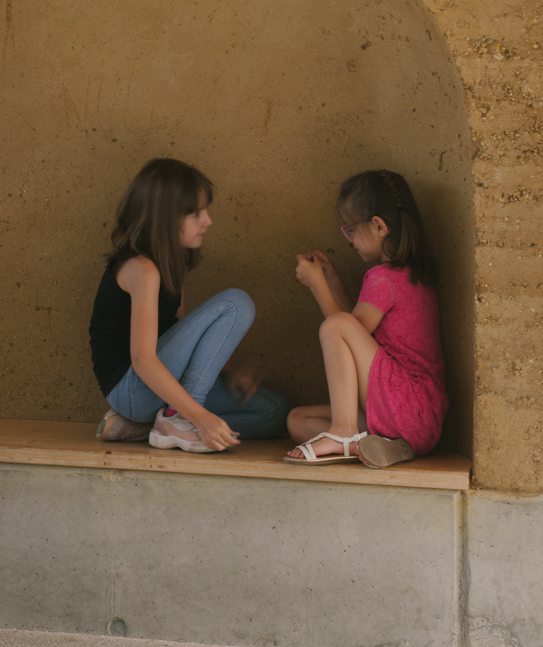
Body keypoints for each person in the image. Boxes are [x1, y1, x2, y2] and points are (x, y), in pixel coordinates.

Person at [91, 157, 289, 451]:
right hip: (132, 388)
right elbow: (143, 360)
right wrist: (199, 415)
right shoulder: (141, 269)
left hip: (160, 384)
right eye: (196, 214)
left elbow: (181, 334)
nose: (207, 220)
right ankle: (181, 418)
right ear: (165, 218)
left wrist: (230, 370)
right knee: (236, 302)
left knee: (275, 412)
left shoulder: (172, 261)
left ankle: (150, 427)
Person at [286, 168, 447, 468]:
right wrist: (333, 281)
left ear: (378, 226)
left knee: (335, 326)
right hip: (417, 418)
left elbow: (344, 330)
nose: (348, 239)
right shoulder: (408, 274)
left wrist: (316, 285)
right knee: (298, 421)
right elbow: (360, 334)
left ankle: (344, 432)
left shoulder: (383, 278)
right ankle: (384, 445)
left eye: (350, 230)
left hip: (407, 402)